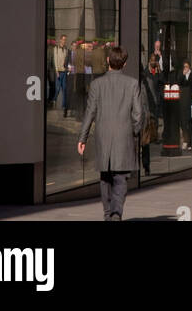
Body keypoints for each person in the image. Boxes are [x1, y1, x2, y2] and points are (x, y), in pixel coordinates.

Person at [77, 44, 143, 221]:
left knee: (105, 177)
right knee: (121, 179)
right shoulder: (132, 84)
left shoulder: (97, 84)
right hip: (124, 137)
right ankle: (116, 212)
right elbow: (138, 115)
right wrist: (133, 132)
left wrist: (82, 138)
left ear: (108, 61)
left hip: (103, 136)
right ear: (125, 64)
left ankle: (108, 213)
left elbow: (89, 113)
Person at [178, 60, 192, 151]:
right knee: (183, 121)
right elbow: (179, 82)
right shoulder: (181, 73)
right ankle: (186, 140)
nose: (186, 68)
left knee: (190, 121)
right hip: (182, 99)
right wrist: (183, 74)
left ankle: (189, 143)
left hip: (190, 99)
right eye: (184, 66)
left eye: (187, 66)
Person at [51, 34, 69, 115]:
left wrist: (67, 69)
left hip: (64, 71)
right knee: (58, 88)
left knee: (64, 89)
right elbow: (55, 60)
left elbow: (66, 60)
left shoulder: (66, 49)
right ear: (60, 40)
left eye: (65, 39)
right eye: (63, 39)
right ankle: (54, 100)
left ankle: (64, 106)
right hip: (58, 72)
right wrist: (57, 71)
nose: (64, 41)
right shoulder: (56, 48)